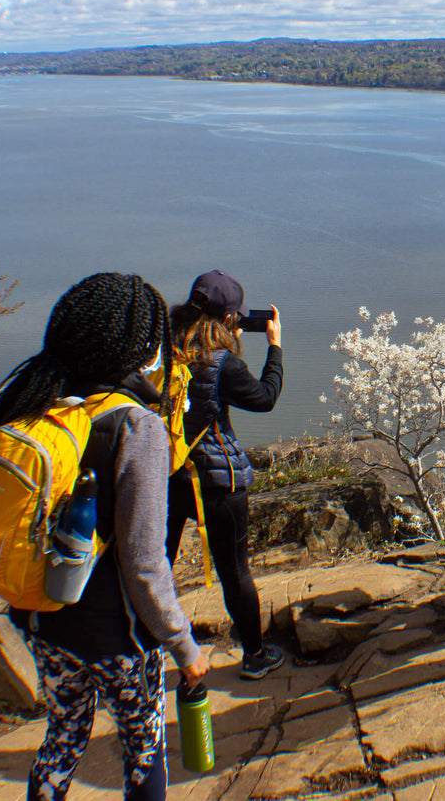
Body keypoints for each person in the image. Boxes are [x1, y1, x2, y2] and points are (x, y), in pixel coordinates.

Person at [0, 273, 209, 801]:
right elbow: (145, 563)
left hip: (42, 617)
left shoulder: (34, 402)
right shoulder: (134, 426)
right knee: (143, 747)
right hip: (118, 633)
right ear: (140, 350)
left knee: (63, 734)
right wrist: (183, 644)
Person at [165, 270, 285, 680]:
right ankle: (254, 655)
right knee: (235, 569)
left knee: (155, 564)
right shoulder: (223, 364)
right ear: (231, 319)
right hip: (218, 481)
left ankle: (145, 651)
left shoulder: (163, 349)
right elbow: (266, 399)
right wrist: (274, 348)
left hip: (165, 475)